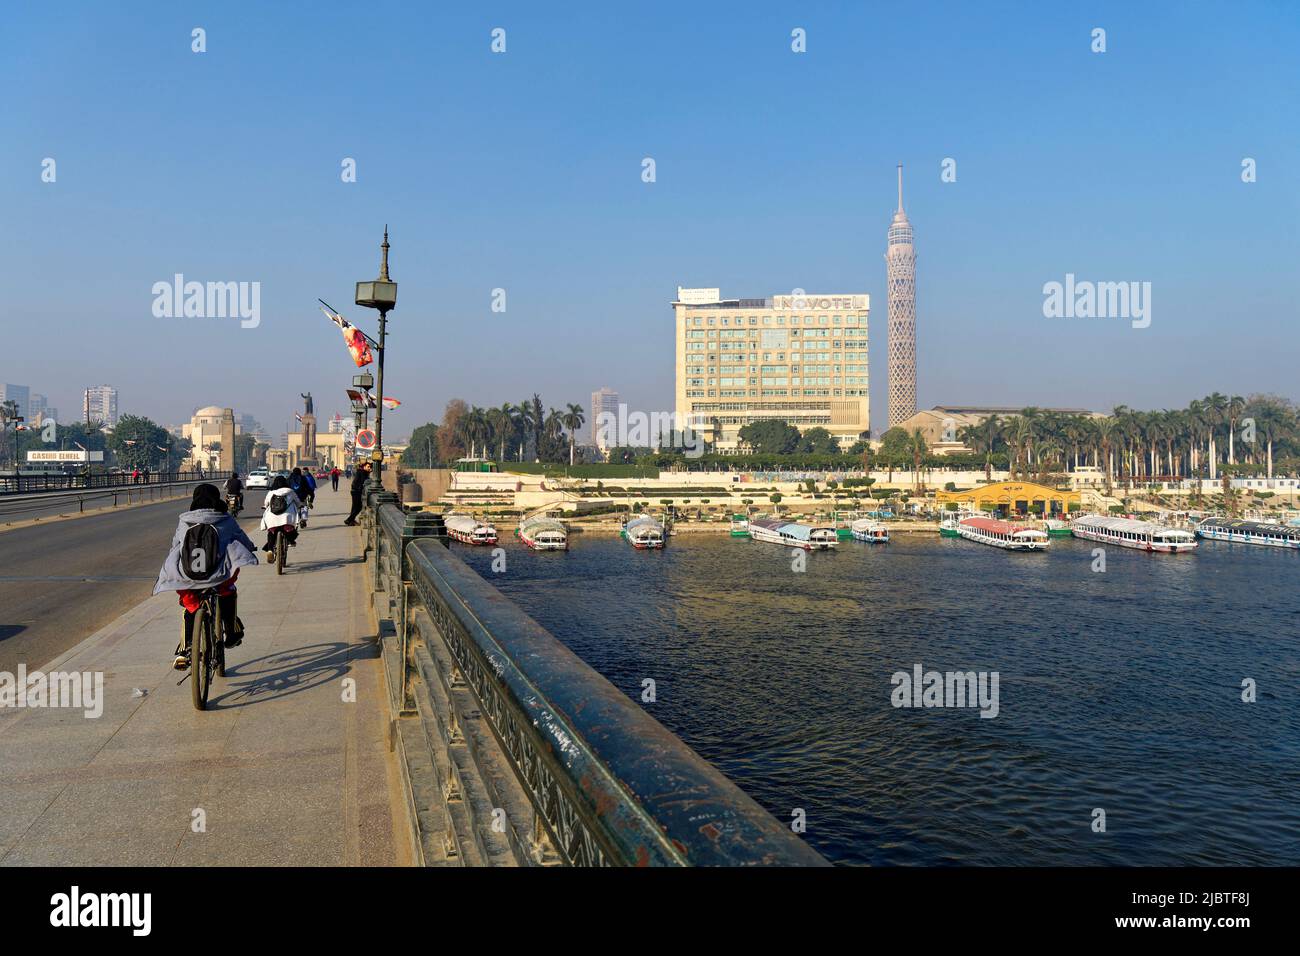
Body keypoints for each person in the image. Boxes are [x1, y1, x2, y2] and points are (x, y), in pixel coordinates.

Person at [153, 483, 258, 670]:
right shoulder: (224, 519)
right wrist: (251, 548)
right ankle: (231, 630)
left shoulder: (185, 520)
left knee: (189, 603)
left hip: (189, 576)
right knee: (228, 590)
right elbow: (241, 539)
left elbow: (175, 545)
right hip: (217, 575)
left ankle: (186, 649)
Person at [260, 474, 302, 557]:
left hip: (272, 518)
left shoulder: (271, 492)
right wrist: (300, 505)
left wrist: (265, 506)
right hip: (287, 519)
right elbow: (297, 502)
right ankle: (290, 541)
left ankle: (270, 550)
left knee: (271, 532)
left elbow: (266, 503)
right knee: (290, 530)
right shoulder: (290, 491)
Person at [345, 461, 372, 525]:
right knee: (359, 507)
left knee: (354, 507)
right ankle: (349, 520)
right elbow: (364, 481)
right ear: (364, 467)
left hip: (355, 490)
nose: (369, 468)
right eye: (368, 467)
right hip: (356, 491)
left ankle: (351, 521)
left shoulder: (361, 471)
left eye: (370, 467)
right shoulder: (362, 472)